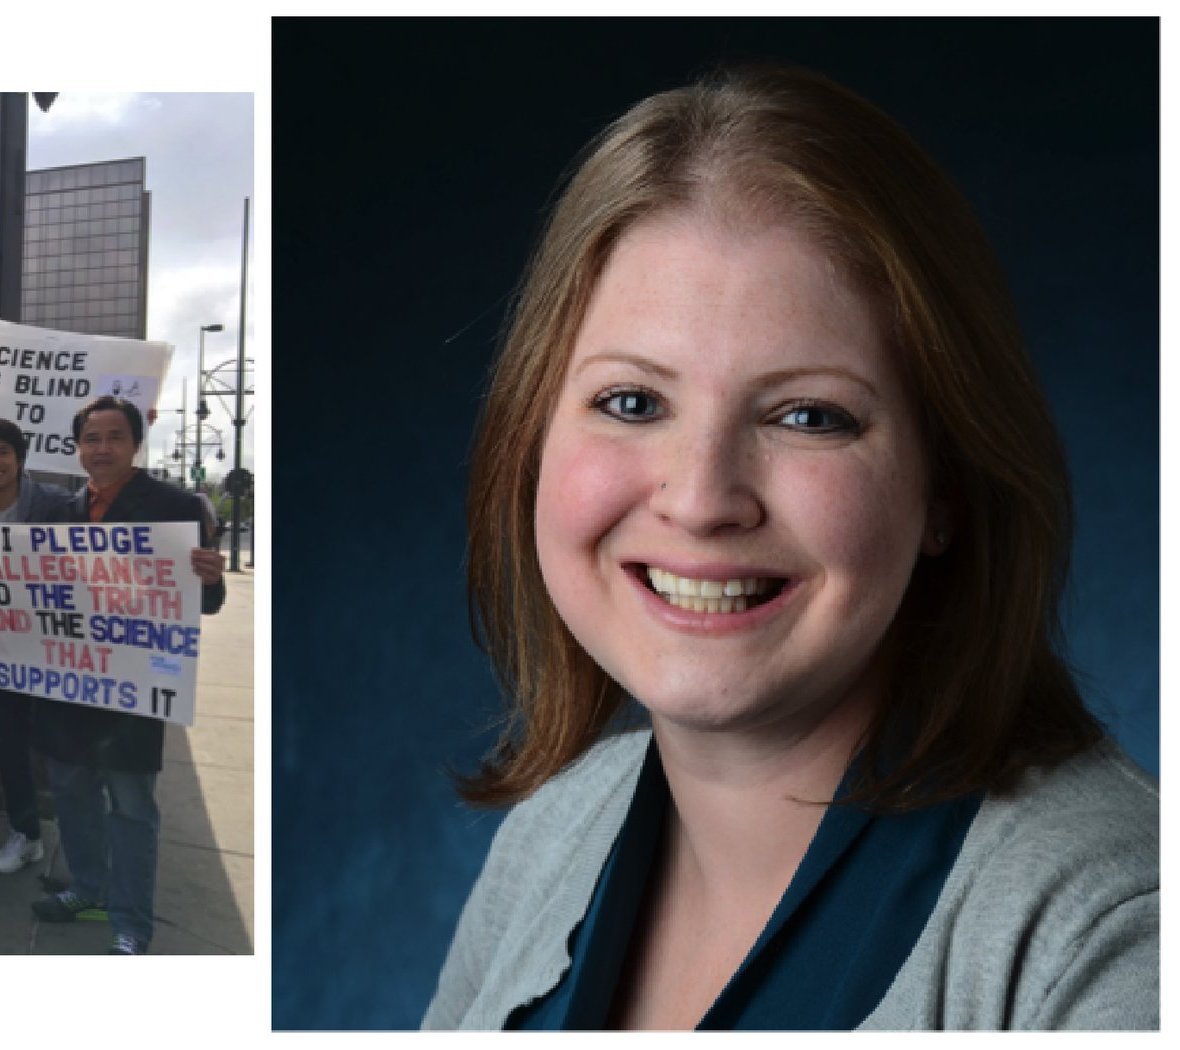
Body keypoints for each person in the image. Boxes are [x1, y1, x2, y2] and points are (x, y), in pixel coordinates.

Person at [424, 66, 1155, 1031]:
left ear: (945, 486)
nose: (698, 498)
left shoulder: (1110, 936)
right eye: (631, 402)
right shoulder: (556, 834)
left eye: (808, 415)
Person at [29, 395, 226, 955]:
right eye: (91, 439)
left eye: (114, 437)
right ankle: (88, 890)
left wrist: (209, 578)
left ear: (136, 443)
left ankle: (132, 921)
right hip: (70, 685)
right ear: (78, 448)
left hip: (133, 691)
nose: (102, 448)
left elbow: (207, 602)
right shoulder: (62, 513)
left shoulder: (176, 507)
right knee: (71, 791)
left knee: (132, 805)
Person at [0, 417, 70, 874]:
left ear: (20, 457)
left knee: (63, 747)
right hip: (2, 648)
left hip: (55, 647)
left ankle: (81, 842)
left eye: (3, 452)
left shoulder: (55, 504)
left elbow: (78, 567)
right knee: (9, 745)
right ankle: (25, 833)